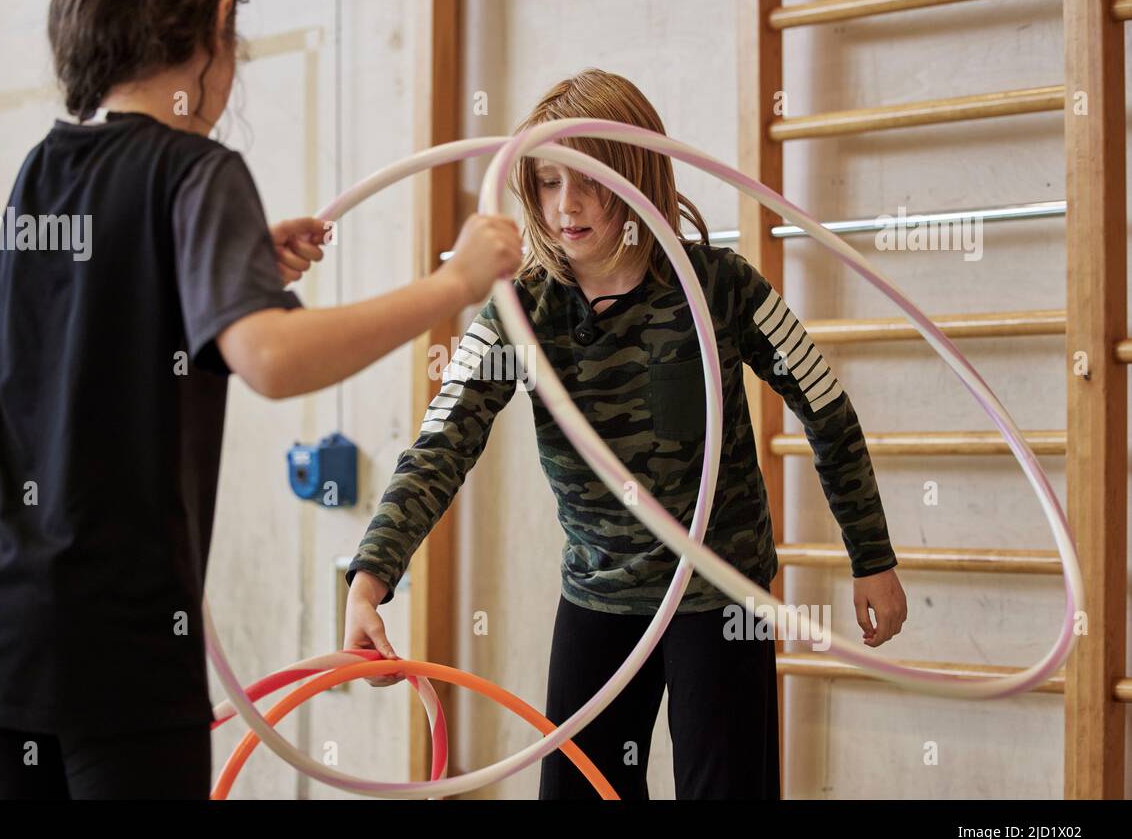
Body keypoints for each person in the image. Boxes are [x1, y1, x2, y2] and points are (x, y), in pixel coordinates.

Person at [0, 0, 521, 799]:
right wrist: (455, 281)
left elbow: (97, 311)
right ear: (216, 23)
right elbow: (272, 358)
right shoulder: (194, 170)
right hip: (114, 642)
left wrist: (227, 264)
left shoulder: (41, 170)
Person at [337, 68, 907, 799]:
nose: (565, 206)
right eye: (545, 183)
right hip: (598, 595)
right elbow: (442, 443)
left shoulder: (722, 287)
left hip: (719, 593)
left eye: (588, 181)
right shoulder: (521, 311)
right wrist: (370, 578)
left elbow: (825, 406)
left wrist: (872, 555)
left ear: (637, 177)